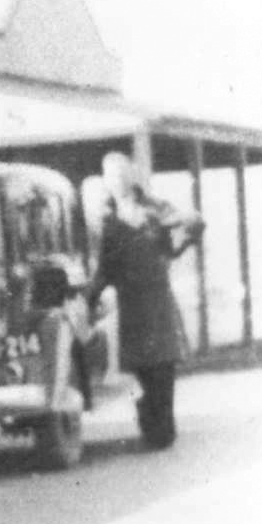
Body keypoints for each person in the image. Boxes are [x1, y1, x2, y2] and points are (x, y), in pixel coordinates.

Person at [87, 152, 203, 448]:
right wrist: (89, 299)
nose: (117, 182)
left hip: (158, 300)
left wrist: (186, 234)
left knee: (163, 368)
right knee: (142, 370)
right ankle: (151, 426)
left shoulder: (156, 209)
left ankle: (162, 432)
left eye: (121, 175)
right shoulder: (108, 220)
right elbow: (105, 268)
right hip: (132, 305)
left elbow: (185, 231)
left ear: (131, 176)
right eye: (111, 176)